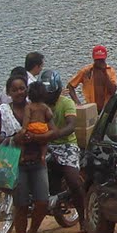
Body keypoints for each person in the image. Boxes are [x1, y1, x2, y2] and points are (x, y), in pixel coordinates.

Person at [0, 70, 51, 233]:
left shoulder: (37, 108)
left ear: (27, 90)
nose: (19, 93)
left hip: (37, 161)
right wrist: (11, 139)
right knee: (21, 205)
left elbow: (52, 130)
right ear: (8, 92)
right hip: (15, 164)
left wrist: (41, 136)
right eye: (14, 90)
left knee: (43, 201)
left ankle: (34, 231)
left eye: (22, 89)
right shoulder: (2, 112)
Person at [32, 73, 84, 217]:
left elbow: (71, 125)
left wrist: (56, 134)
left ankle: (83, 218)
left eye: (51, 94)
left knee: (73, 180)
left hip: (66, 144)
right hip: (45, 143)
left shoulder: (66, 103)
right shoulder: (37, 107)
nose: (48, 97)